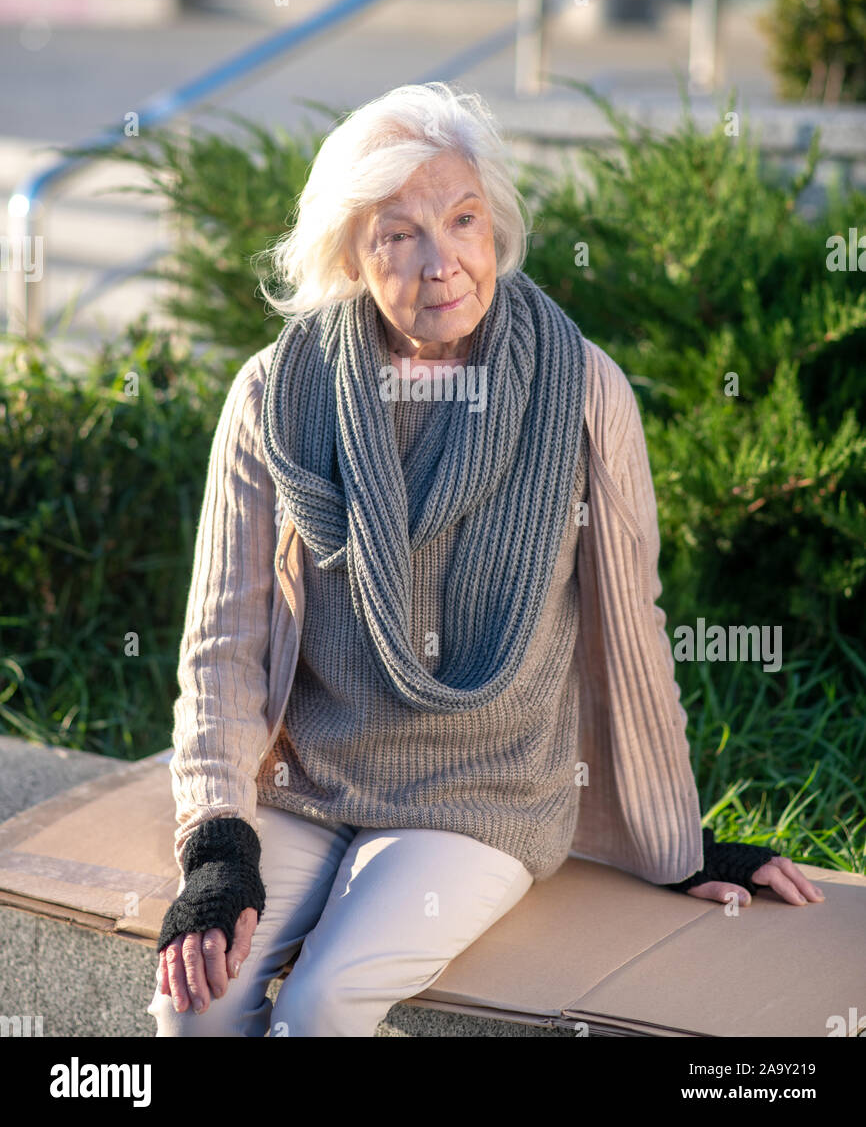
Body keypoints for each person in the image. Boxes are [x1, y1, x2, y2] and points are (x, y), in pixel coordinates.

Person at [147, 81, 823, 1039]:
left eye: (463, 219)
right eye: (398, 234)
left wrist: (679, 842)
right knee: (192, 1007)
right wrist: (218, 846)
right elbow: (222, 642)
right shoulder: (274, 393)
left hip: (482, 796)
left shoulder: (583, 388)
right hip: (307, 781)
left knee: (322, 1004)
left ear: (495, 226)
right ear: (350, 256)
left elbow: (631, 627)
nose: (443, 262)